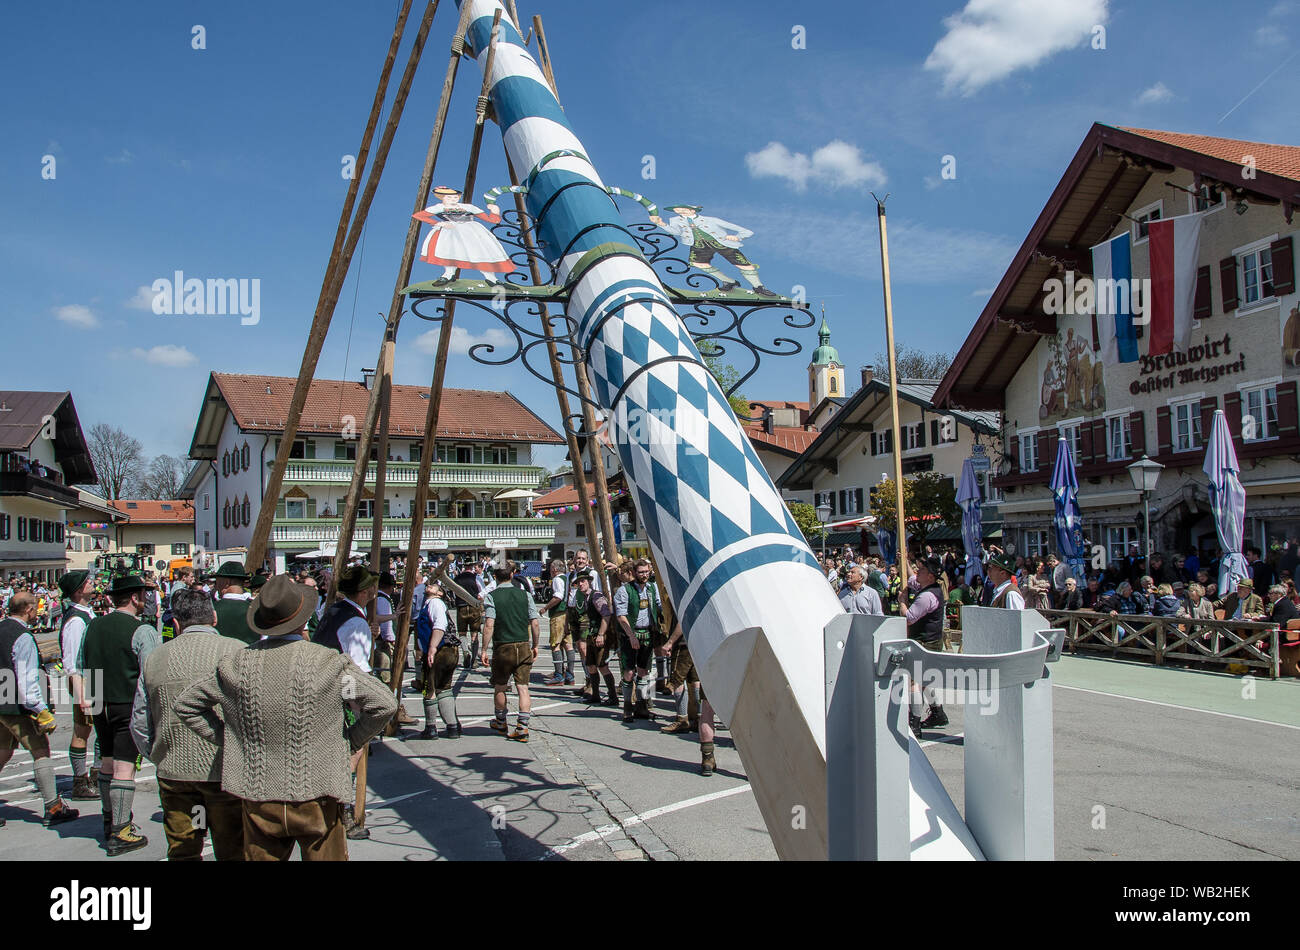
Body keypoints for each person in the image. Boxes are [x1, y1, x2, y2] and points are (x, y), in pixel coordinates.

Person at [175, 575, 396, 861]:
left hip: (258, 791)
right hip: (318, 789)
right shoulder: (328, 664)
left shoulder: (237, 665)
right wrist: (351, 741)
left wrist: (230, 739)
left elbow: (188, 704)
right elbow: (383, 704)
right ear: (303, 621)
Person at [129, 588, 244, 860]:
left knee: (184, 849)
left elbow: (140, 719)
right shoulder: (238, 651)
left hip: (175, 774)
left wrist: (156, 753)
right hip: (224, 772)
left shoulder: (155, 658)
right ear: (214, 618)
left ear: (177, 624)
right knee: (232, 850)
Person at [78, 574, 162, 855]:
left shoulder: (92, 626)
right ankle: (121, 830)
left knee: (107, 761)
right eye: (143, 595)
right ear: (136, 598)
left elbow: (82, 664)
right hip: (127, 701)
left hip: (100, 699)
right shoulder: (142, 630)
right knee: (125, 766)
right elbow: (152, 673)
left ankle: (108, 818)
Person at [0, 591, 80, 829]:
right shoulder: (22, 636)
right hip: (17, 706)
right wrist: (41, 710)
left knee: (3, 751)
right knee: (41, 750)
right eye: (35, 608)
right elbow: (27, 679)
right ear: (28, 610)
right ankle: (53, 807)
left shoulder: (1, 628)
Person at [480, 567, 541, 742]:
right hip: (522, 644)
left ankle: (500, 721)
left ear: (495, 577)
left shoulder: (492, 596)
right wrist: (535, 644)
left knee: (500, 686)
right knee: (523, 687)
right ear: (512, 575)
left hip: (503, 646)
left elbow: (489, 625)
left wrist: (484, 649)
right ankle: (522, 726)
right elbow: (535, 623)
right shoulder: (525, 595)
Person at [57, 569, 100, 801]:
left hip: (95, 677)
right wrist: (81, 691)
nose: (92, 583)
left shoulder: (84, 613)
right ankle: (81, 781)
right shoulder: (75, 620)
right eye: (87, 582)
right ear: (78, 590)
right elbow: (71, 662)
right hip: (86, 678)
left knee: (97, 729)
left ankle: (95, 775)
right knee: (83, 729)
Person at [901, 558, 948, 734]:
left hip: (926, 641)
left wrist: (902, 601)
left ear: (930, 575)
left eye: (921, 570)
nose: (917, 571)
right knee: (926, 680)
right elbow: (912, 577)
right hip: (928, 640)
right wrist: (904, 560)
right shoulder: (928, 587)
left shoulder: (928, 595)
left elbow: (909, 617)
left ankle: (914, 722)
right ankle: (938, 713)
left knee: (915, 682)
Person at [613, 558, 662, 724]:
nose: (644, 575)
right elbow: (621, 616)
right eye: (641, 572)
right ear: (633, 573)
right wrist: (631, 636)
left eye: (647, 572)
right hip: (630, 635)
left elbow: (659, 606)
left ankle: (641, 706)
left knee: (643, 671)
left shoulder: (652, 588)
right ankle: (627, 707)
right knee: (629, 672)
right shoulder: (624, 590)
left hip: (647, 633)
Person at [415, 581, 461, 740]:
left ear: (440, 593)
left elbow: (440, 625)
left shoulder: (435, 603)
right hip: (447, 650)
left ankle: (431, 727)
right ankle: (453, 727)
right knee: (444, 687)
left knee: (429, 688)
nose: (430, 586)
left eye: (434, 586)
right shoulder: (429, 603)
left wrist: (433, 647)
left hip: (440, 650)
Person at [314, 565, 378, 674]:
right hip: (338, 684)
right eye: (372, 585)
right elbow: (358, 669)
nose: (375, 588)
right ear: (364, 591)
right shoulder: (356, 622)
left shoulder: (336, 609)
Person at [573, 571, 619, 707]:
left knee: (602, 666)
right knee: (591, 665)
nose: (580, 584)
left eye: (583, 581)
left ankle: (613, 697)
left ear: (589, 582)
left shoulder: (596, 596)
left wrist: (601, 635)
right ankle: (595, 695)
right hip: (591, 635)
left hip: (599, 635)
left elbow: (606, 615)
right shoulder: (586, 597)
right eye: (578, 582)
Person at [211, 562, 257, 645]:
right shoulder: (256, 609)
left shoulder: (211, 609)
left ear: (227, 582)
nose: (216, 587)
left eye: (217, 582)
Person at [541, 558, 571, 686]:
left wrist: (546, 607)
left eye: (551, 568)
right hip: (567, 613)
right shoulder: (567, 578)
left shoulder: (557, 579)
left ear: (554, 569)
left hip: (558, 614)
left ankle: (559, 674)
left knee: (555, 644)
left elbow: (558, 596)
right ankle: (569, 673)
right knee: (567, 644)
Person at [1266, 584, 1300, 677]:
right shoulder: (1284, 602)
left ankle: (1267, 666)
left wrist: (1260, 620)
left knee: (1258, 639)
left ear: (1279, 594)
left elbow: (1276, 623)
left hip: (1284, 635)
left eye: (1271, 593)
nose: (1269, 596)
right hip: (1288, 633)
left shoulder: (1281, 604)